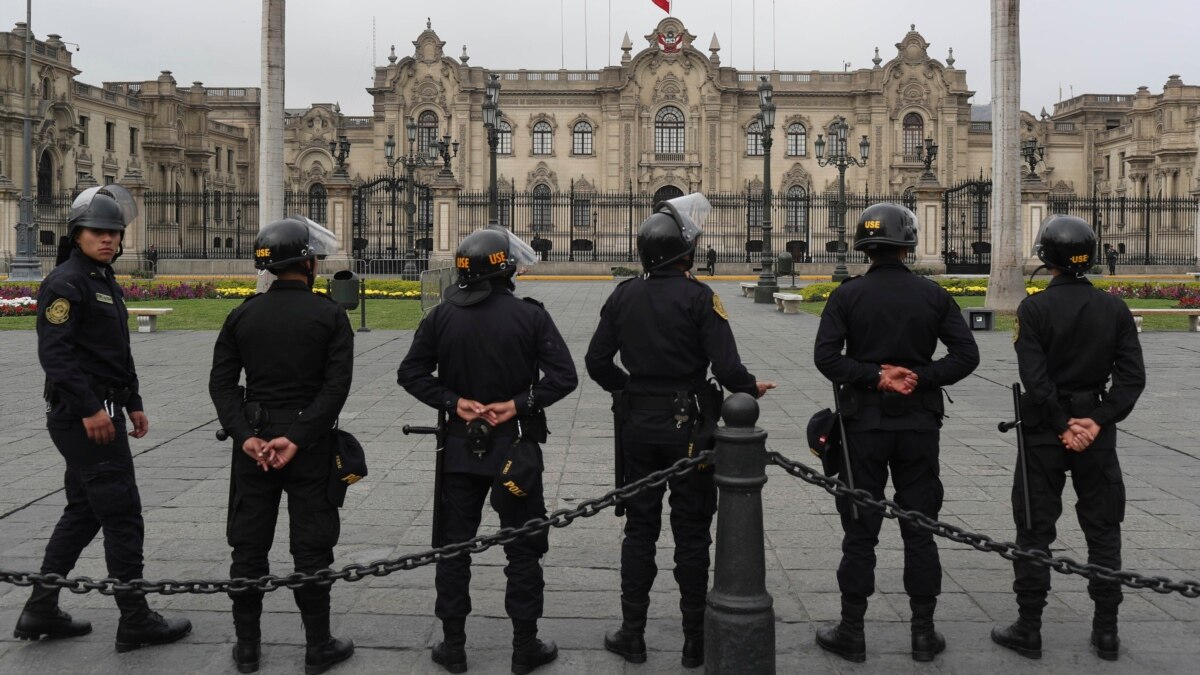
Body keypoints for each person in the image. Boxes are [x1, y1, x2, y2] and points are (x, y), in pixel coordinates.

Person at [585, 193, 775, 669]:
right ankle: (694, 640)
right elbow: (729, 370)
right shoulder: (699, 298)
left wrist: (628, 390)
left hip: (638, 426)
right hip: (691, 426)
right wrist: (752, 388)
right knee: (692, 533)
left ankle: (633, 633)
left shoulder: (624, 294)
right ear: (684, 254)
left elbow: (595, 362)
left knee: (639, 531)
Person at [15, 185, 192, 651]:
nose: (109, 239)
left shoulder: (100, 279)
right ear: (77, 234)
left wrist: (132, 400)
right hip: (84, 417)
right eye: (99, 232)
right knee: (122, 514)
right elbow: (57, 357)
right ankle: (135, 619)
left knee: (85, 510)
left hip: (105, 408)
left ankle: (41, 608)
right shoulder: (66, 282)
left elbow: (115, 351)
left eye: (115, 232)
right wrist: (92, 410)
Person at [397, 225, 577, 675]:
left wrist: (452, 402)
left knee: (453, 549)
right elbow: (563, 377)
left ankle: (454, 646)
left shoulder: (441, 316)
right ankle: (524, 646)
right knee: (522, 548)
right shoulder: (530, 316)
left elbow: (411, 373)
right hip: (516, 447)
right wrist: (517, 404)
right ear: (505, 269)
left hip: (459, 446)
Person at [812, 203, 979, 663]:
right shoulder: (933, 295)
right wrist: (919, 377)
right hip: (919, 424)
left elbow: (826, 358)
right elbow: (966, 356)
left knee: (860, 530)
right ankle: (923, 633)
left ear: (865, 247)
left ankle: (852, 630)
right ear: (909, 243)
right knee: (919, 527)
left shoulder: (847, 296)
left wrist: (873, 376)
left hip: (863, 424)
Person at [991, 215, 1144, 662]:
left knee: (1035, 527)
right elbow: (1132, 378)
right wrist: (1095, 422)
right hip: (1096, 433)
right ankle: (1107, 632)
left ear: (1046, 257)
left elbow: (1035, 381)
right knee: (1103, 529)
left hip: (1044, 432)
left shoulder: (1033, 310)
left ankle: (1030, 627)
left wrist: (1062, 425)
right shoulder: (1113, 309)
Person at [209, 216, 355, 675]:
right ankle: (317, 647)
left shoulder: (243, 314)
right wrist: (296, 437)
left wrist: (245, 436)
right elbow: (336, 388)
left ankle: (248, 649)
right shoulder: (330, 315)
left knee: (248, 546)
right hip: (307, 444)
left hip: (254, 444)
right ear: (308, 264)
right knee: (311, 545)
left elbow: (222, 384)